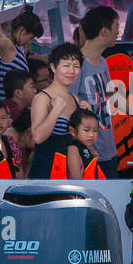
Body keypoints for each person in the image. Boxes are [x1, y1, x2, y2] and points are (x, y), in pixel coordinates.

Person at [69, 5, 121, 176]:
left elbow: (111, 99)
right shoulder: (77, 65)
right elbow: (69, 107)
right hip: (89, 153)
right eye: (116, 28)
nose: (118, 33)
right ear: (105, 32)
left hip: (108, 149)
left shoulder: (103, 62)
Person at [29, 43, 84, 179]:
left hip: (69, 174)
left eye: (76, 66)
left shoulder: (75, 99)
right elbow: (38, 137)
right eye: (66, 66)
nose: (71, 71)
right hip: (45, 174)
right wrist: (56, 111)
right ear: (53, 67)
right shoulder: (42, 98)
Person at [0, 6, 43, 100]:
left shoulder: (11, 45)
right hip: (10, 104)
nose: (29, 43)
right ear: (23, 31)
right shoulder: (9, 46)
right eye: (30, 38)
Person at [65, 108, 107, 179]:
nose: (91, 135)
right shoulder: (73, 150)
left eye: (95, 130)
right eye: (86, 130)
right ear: (72, 131)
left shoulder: (85, 149)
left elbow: (88, 171)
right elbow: (77, 181)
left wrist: (95, 158)